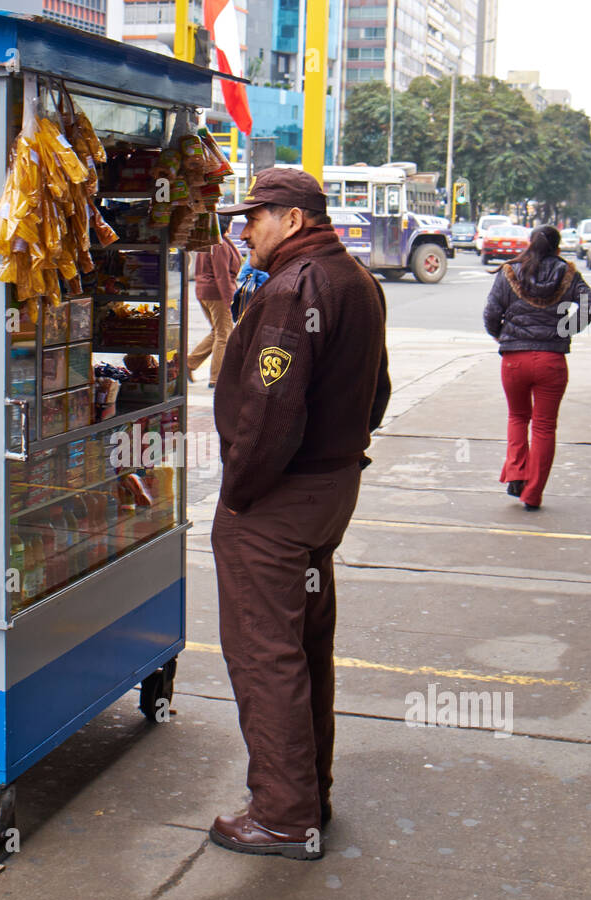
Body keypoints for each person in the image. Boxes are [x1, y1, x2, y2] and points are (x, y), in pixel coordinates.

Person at [208, 167, 390, 860]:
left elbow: (268, 412)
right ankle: (309, 794)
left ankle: (283, 816)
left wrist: (241, 492)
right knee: (303, 644)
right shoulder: (355, 280)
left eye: (253, 216)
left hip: (280, 499)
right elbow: (379, 388)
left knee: (265, 650)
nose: (243, 229)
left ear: (290, 218)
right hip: (328, 488)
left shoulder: (295, 288)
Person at [483, 225, 591, 509]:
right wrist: (565, 329)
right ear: (558, 249)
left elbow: (491, 312)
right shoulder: (568, 273)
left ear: (529, 245)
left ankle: (516, 472)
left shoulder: (510, 271)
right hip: (551, 361)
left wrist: (501, 334)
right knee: (545, 427)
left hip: (514, 360)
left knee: (517, 417)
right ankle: (533, 493)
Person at [186, 214, 243, 387]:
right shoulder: (219, 244)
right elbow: (222, 275)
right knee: (224, 335)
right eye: (231, 222)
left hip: (204, 291)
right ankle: (217, 378)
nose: (232, 225)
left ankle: (188, 363)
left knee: (217, 331)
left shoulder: (211, 241)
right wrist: (231, 300)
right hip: (217, 293)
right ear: (226, 225)